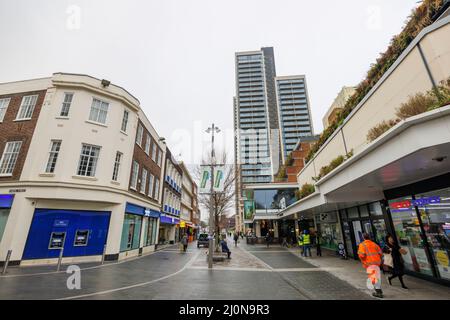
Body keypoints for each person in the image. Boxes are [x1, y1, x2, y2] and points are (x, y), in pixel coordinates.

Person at [358, 233, 384, 298]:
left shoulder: (362, 245)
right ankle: (379, 291)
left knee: (373, 278)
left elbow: (362, 255)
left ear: (363, 238)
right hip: (377, 264)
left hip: (369, 264)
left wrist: (361, 257)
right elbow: (381, 253)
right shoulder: (374, 244)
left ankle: (379, 292)